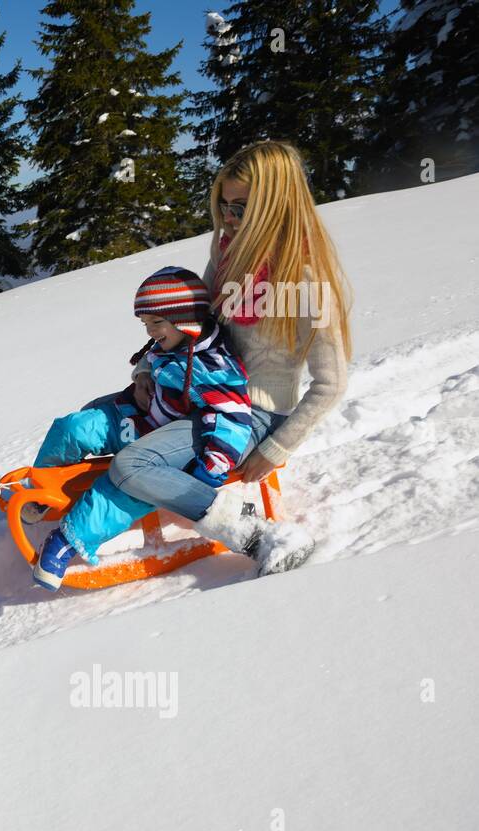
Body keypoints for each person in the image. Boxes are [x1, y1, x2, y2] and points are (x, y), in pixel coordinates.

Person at [113, 140, 351, 575]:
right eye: (224, 205)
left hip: (255, 413)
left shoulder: (305, 279)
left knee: (131, 465)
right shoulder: (226, 254)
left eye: (241, 208)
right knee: (109, 415)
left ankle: (256, 536)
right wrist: (147, 366)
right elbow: (192, 323)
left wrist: (277, 448)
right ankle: (67, 502)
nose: (228, 218)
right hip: (205, 388)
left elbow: (331, 383)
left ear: (274, 206)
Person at [26, 267, 252, 589]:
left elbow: (233, 415)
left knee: (125, 482)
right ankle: (44, 488)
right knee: (74, 427)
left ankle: (66, 541)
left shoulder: (213, 367)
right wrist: (143, 374)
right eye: (145, 324)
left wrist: (215, 462)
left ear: (184, 317)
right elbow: (153, 358)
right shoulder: (174, 341)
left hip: (165, 449)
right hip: (141, 420)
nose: (149, 332)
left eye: (155, 323)